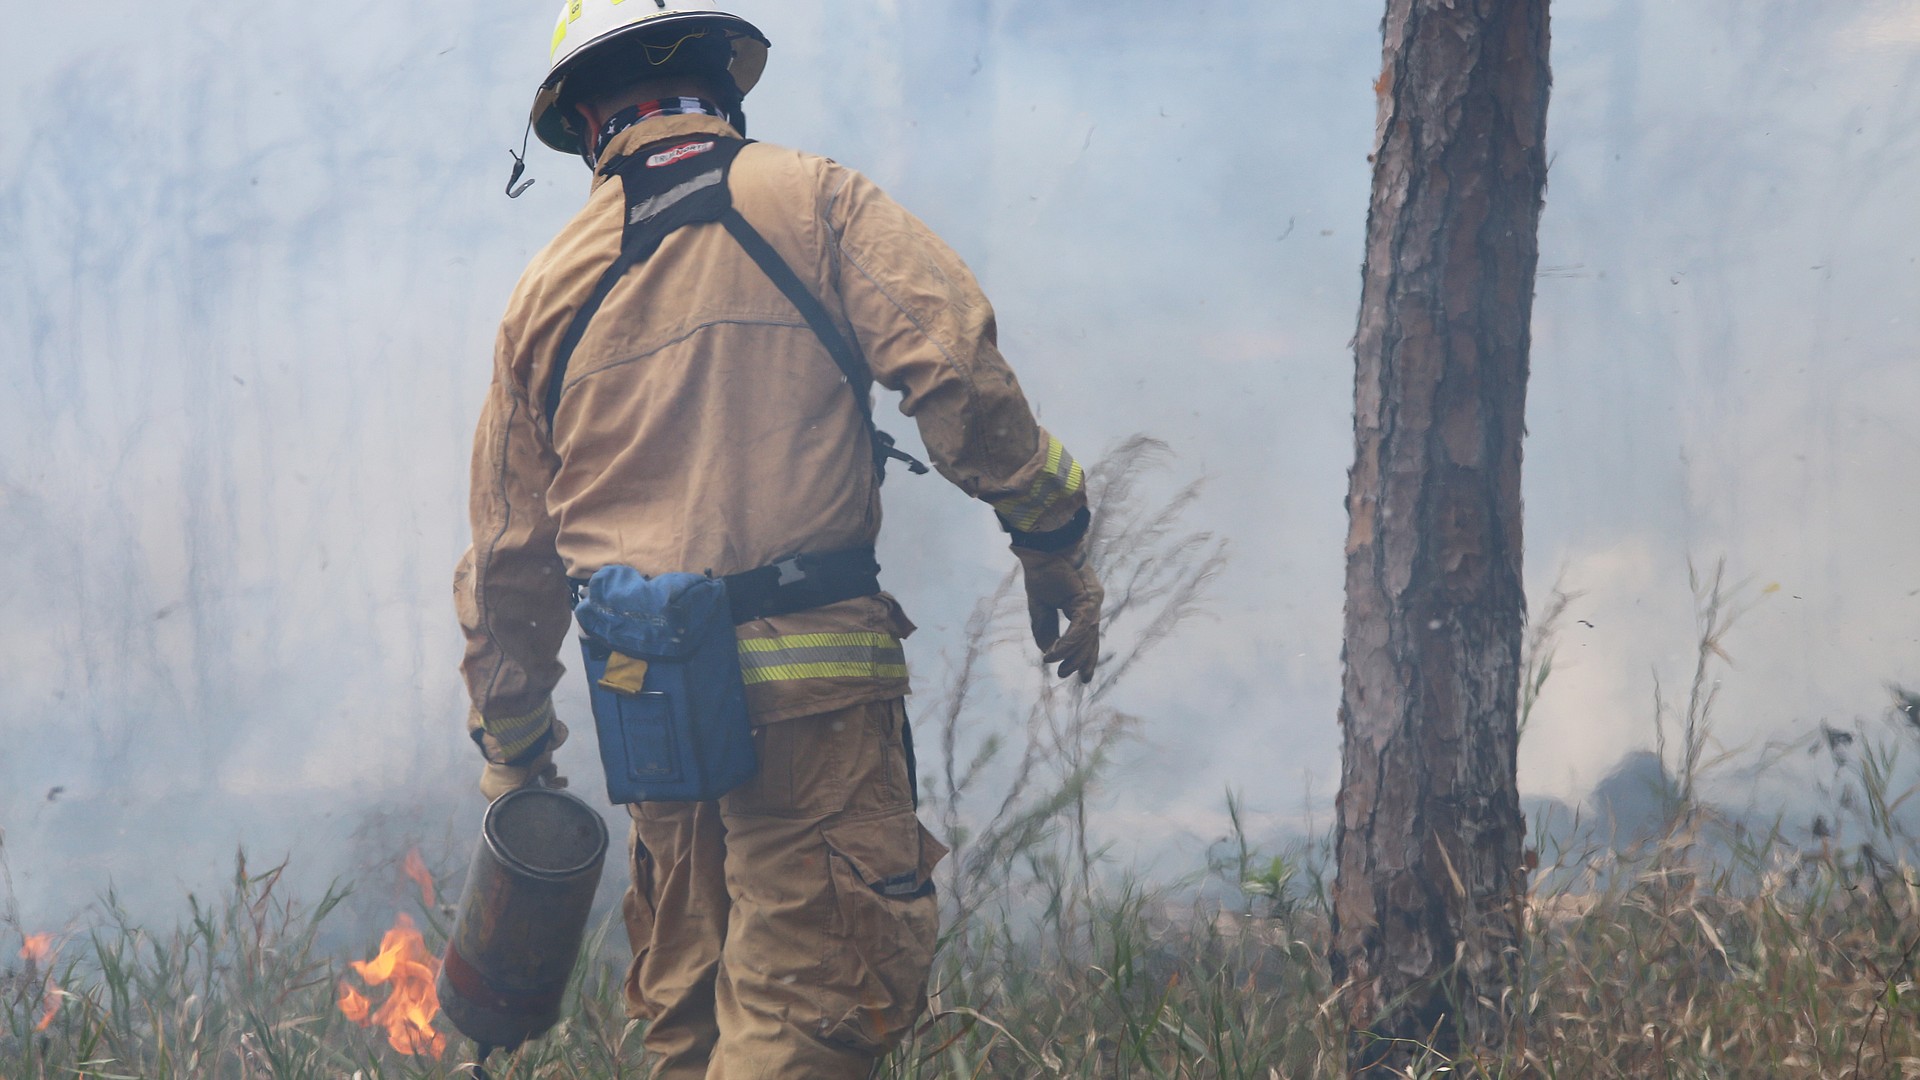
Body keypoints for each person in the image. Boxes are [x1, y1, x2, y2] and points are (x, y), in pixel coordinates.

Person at [453, 2, 1104, 1076]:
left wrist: (514, 755)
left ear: (581, 118)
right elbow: (957, 370)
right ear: (724, 80)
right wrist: (1052, 530)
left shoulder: (544, 291)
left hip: (653, 720)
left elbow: (507, 563)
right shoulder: (815, 199)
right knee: (809, 1012)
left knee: (692, 1020)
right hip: (816, 709)